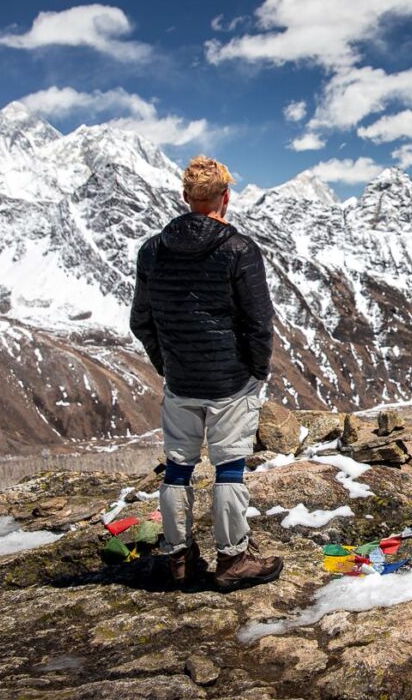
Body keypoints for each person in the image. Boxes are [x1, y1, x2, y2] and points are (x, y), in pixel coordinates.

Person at [130, 155, 283, 590]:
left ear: (185, 197)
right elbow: (258, 322)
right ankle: (232, 559)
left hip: (180, 381)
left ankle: (178, 558)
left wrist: (169, 364)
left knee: (178, 467)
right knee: (229, 467)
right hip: (230, 382)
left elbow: (141, 320)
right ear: (225, 197)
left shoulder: (152, 250)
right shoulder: (239, 250)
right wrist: (256, 372)